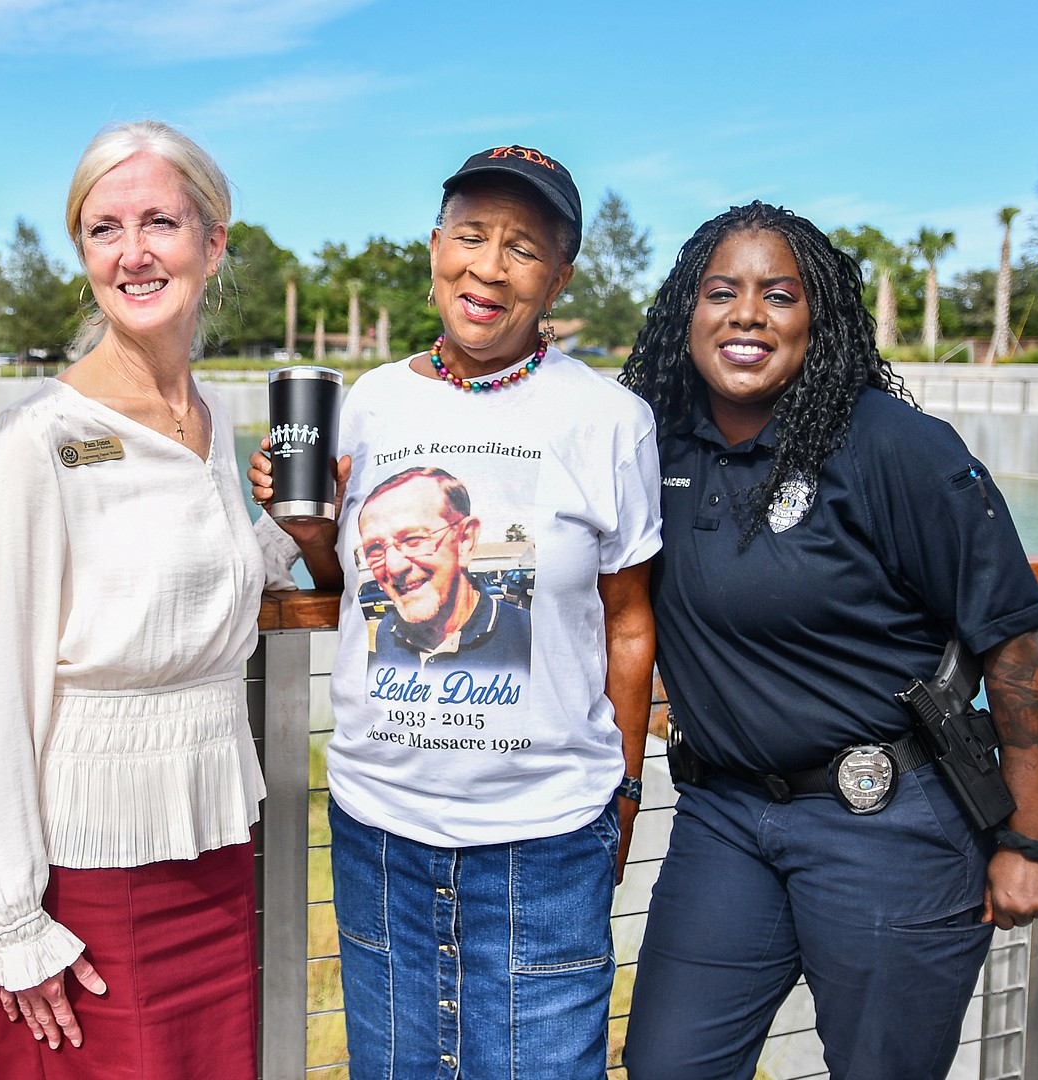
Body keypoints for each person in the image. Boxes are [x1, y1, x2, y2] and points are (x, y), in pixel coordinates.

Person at [617, 202, 1038, 1080]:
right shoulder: (651, 444)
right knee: (667, 1065)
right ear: (687, 314)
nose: (746, 314)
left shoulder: (897, 448)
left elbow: (1017, 645)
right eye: (721, 292)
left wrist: (1035, 839)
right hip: (725, 819)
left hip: (888, 823)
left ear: (815, 320)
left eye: (778, 295)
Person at [250, 143, 661, 1079]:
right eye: (470, 235)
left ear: (560, 275)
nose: (488, 266)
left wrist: (626, 794)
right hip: (376, 832)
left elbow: (631, 623)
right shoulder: (369, 404)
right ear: (433, 245)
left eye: (523, 247)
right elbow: (348, 588)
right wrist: (306, 525)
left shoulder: (609, 420)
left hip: (546, 842)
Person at [0, 120, 271, 1079]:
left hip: (217, 848)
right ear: (83, 252)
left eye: (161, 223)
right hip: (89, 871)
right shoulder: (37, 442)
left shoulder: (214, 419)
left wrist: (297, 532)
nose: (133, 252)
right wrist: (13, 916)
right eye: (105, 229)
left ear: (213, 244)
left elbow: (211, 587)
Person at [358, 465, 532, 672]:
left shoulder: (526, 635)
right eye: (375, 549)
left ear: (465, 540)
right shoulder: (387, 632)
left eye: (414, 539)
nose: (394, 566)